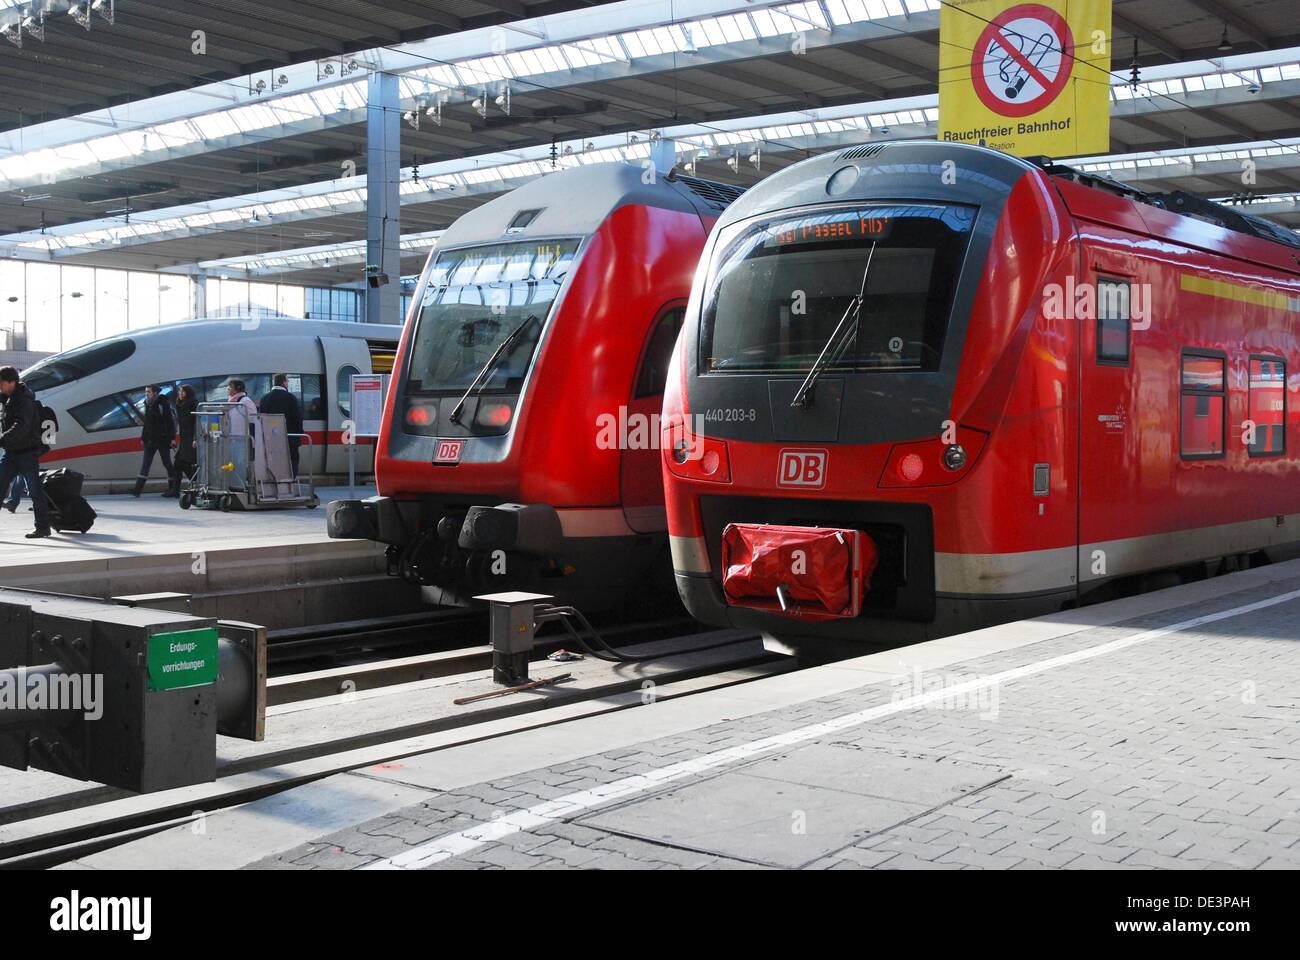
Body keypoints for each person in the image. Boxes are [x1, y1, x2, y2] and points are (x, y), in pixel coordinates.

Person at [0, 366, 51, 538]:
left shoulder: (24, 401)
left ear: (11, 382)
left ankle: (43, 527)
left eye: (1, 383)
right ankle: (43, 526)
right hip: (11, 452)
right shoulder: (7, 398)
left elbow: (21, 426)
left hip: (27, 453)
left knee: (35, 491)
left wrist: (2, 438)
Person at [133, 384, 177, 498]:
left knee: (167, 463)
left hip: (162, 439)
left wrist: (172, 438)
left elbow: (170, 422)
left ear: (155, 393)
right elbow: (146, 423)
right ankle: (137, 490)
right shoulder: (147, 404)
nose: (146, 394)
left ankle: (173, 487)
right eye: (146, 392)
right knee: (145, 464)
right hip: (150, 440)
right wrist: (143, 437)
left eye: (148, 392)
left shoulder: (163, 404)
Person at [259, 373, 303, 476]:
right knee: (292, 461)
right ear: (284, 382)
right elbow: (297, 418)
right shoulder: (291, 398)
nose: (288, 384)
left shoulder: (265, 398)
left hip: (270, 438)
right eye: (287, 381)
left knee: (273, 461)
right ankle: (291, 481)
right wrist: (299, 435)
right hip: (289, 438)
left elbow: (261, 418)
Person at [226, 379, 258, 490]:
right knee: (232, 461)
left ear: (237, 389)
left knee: (240, 462)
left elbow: (253, 417)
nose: (228, 390)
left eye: (230, 387)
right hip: (232, 438)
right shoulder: (231, 402)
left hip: (242, 438)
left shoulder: (245, 401)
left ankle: (241, 485)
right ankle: (234, 483)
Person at [173, 384, 198, 495]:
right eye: (179, 391)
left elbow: (197, 421)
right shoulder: (179, 404)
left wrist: (196, 438)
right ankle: (176, 490)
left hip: (190, 438)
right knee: (179, 464)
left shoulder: (193, 403)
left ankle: (196, 481)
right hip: (184, 438)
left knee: (182, 463)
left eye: (183, 391)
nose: (180, 393)